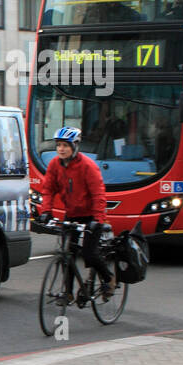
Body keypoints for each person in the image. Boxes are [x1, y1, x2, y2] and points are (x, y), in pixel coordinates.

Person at [36, 126, 115, 299]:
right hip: (71, 214)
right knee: (67, 254)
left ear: (75, 146)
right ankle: (68, 293)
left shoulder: (88, 166)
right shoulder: (55, 165)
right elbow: (48, 189)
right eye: (58, 145)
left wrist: (98, 219)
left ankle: (109, 278)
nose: (61, 149)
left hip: (91, 216)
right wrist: (46, 212)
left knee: (89, 253)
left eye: (65, 145)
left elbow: (98, 194)